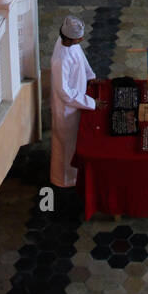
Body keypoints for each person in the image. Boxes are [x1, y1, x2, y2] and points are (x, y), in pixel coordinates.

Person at [50, 15, 96, 186]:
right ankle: (66, 180)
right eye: (79, 37)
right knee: (66, 147)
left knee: (74, 143)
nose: (82, 39)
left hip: (77, 100)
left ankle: (77, 175)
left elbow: (81, 58)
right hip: (67, 109)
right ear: (71, 38)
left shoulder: (69, 44)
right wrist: (91, 103)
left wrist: (90, 77)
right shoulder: (60, 60)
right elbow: (65, 93)